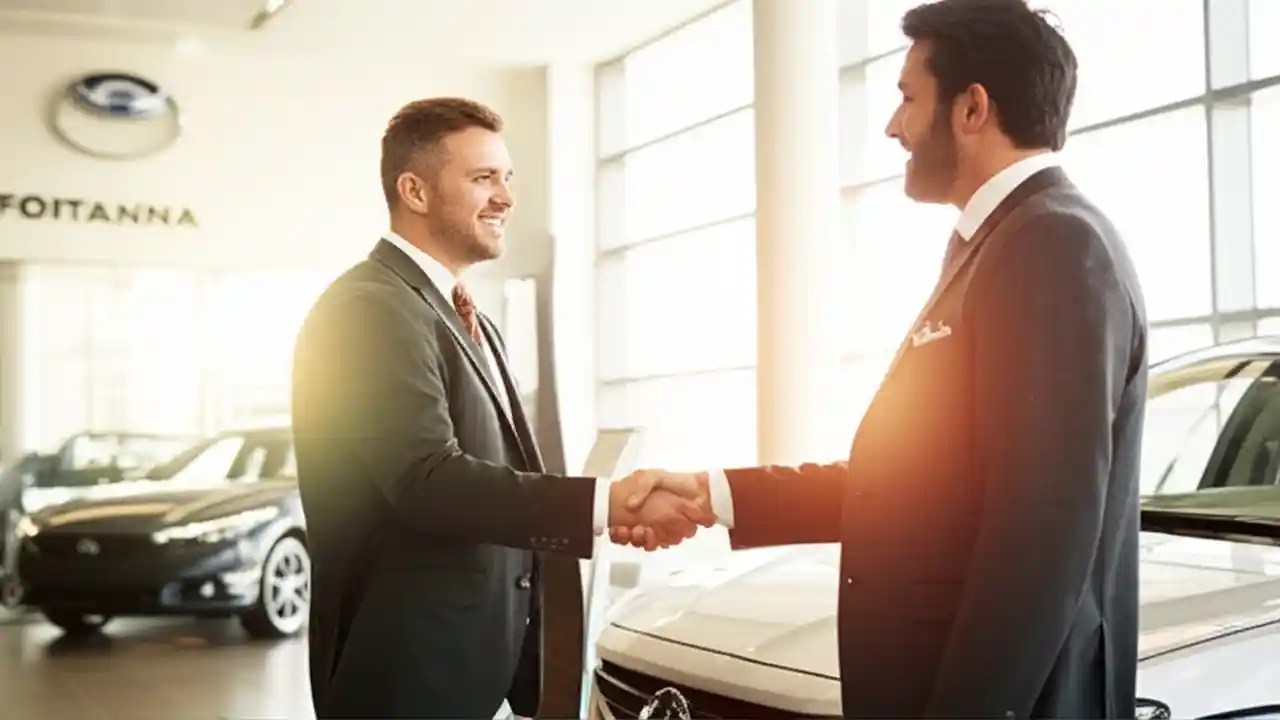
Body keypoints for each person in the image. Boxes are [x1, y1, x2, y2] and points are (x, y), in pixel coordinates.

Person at [615, 0, 1148, 717]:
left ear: (972, 109)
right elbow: (916, 478)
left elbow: (1040, 537)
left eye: (906, 97)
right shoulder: (1001, 243)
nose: (893, 125)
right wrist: (710, 494)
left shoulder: (1050, 247)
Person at [290, 97, 709, 719]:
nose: (506, 198)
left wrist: (596, 512)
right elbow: (427, 481)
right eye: (483, 177)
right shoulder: (371, 307)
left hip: (466, 668)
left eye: (507, 178)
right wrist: (604, 502)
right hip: (404, 676)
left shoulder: (468, 317)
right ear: (415, 190)